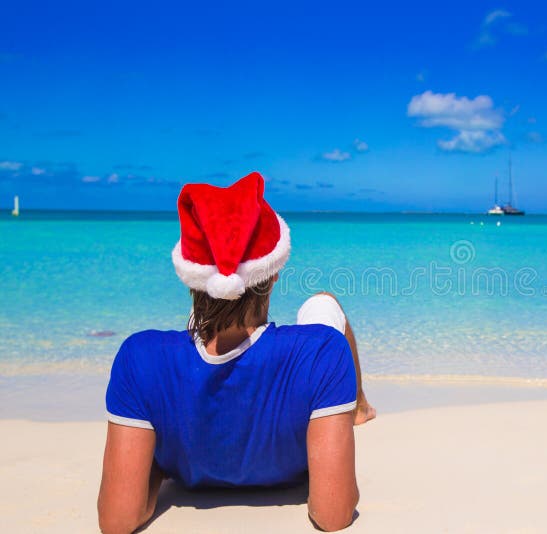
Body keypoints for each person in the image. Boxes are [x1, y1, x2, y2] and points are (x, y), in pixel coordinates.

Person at [97, 172, 375, 533]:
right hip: (303, 375)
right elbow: (332, 516)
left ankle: (211, 318)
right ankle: (358, 406)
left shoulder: (140, 358)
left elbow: (117, 521)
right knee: (324, 302)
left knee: (200, 333)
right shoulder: (321, 352)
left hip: (184, 367)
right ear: (274, 272)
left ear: (190, 275)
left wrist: (159, 462)